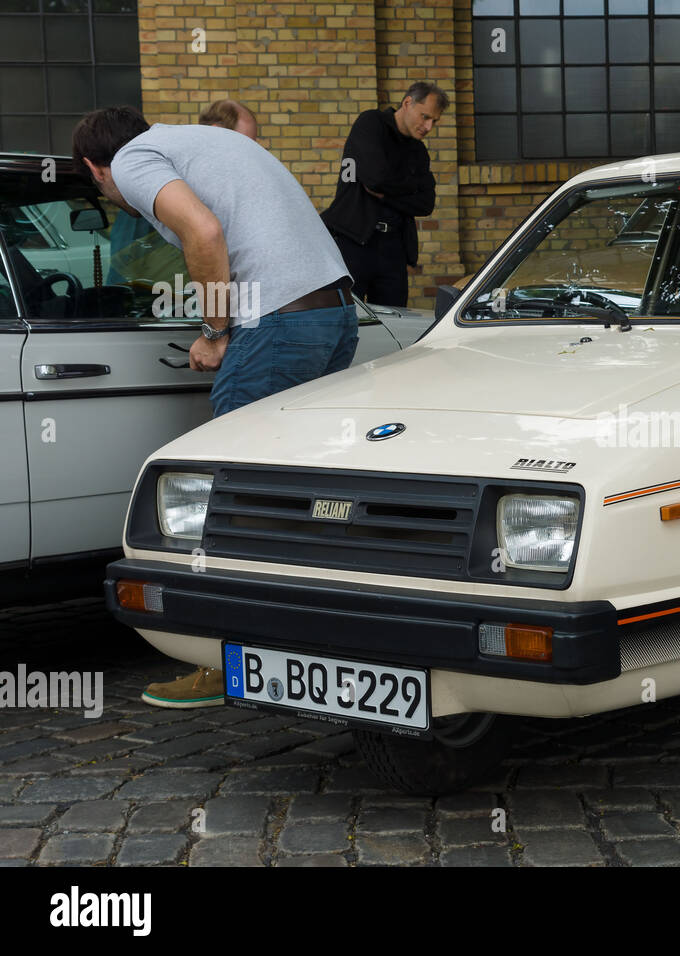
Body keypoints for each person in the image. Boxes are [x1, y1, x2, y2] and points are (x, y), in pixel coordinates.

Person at [73, 104, 357, 707]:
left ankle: (223, 662)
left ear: (96, 169)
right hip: (332, 313)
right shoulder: (203, 143)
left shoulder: (132, 161)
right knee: (304, 497)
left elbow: (202, 233)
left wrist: (213, 328)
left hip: (276, 324)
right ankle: (325, 654)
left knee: (230, 498)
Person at [107, 100, 258, 285]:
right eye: (244, 143)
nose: (252, 153)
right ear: (217, 131)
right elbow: (124, 269)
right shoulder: (159, 181)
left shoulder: (217, 187)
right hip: (157, 304)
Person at [321, 81, 445, 306]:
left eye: (434, 121)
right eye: (425, 117)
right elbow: (375, 179)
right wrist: (411, 186)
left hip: (394, 247)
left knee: (394, 321)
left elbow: (426, 204)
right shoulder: (371, 123)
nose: (428, 127)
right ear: (407, 103)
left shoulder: (418, 151)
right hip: (353, 240)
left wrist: (388, 195)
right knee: (349, 319)